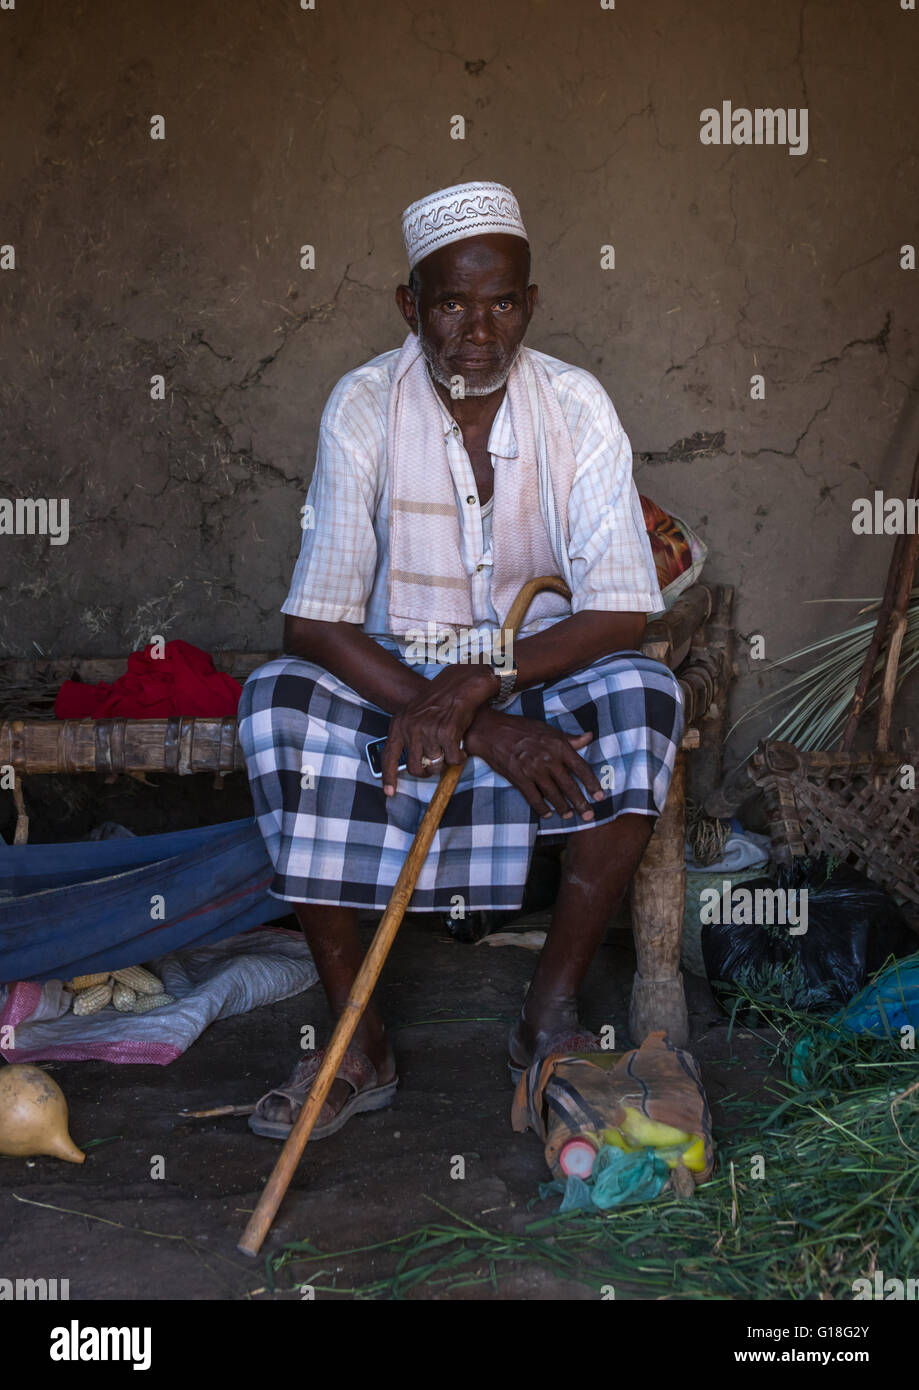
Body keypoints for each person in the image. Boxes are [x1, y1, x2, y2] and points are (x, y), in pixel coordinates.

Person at [238, 180, 684, 1139]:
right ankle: (356, 1037)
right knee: (277, 702)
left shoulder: (575, 404)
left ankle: (548, 1017)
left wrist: (489, 681)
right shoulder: (362, 406)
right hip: (397, 674)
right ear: (410, 305)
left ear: (530, 303)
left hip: (536, 663)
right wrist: (482, 729)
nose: (479, 329)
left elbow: (620, 609)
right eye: (451, 303)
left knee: (643, 698)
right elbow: (312, 626)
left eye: (503, 303)